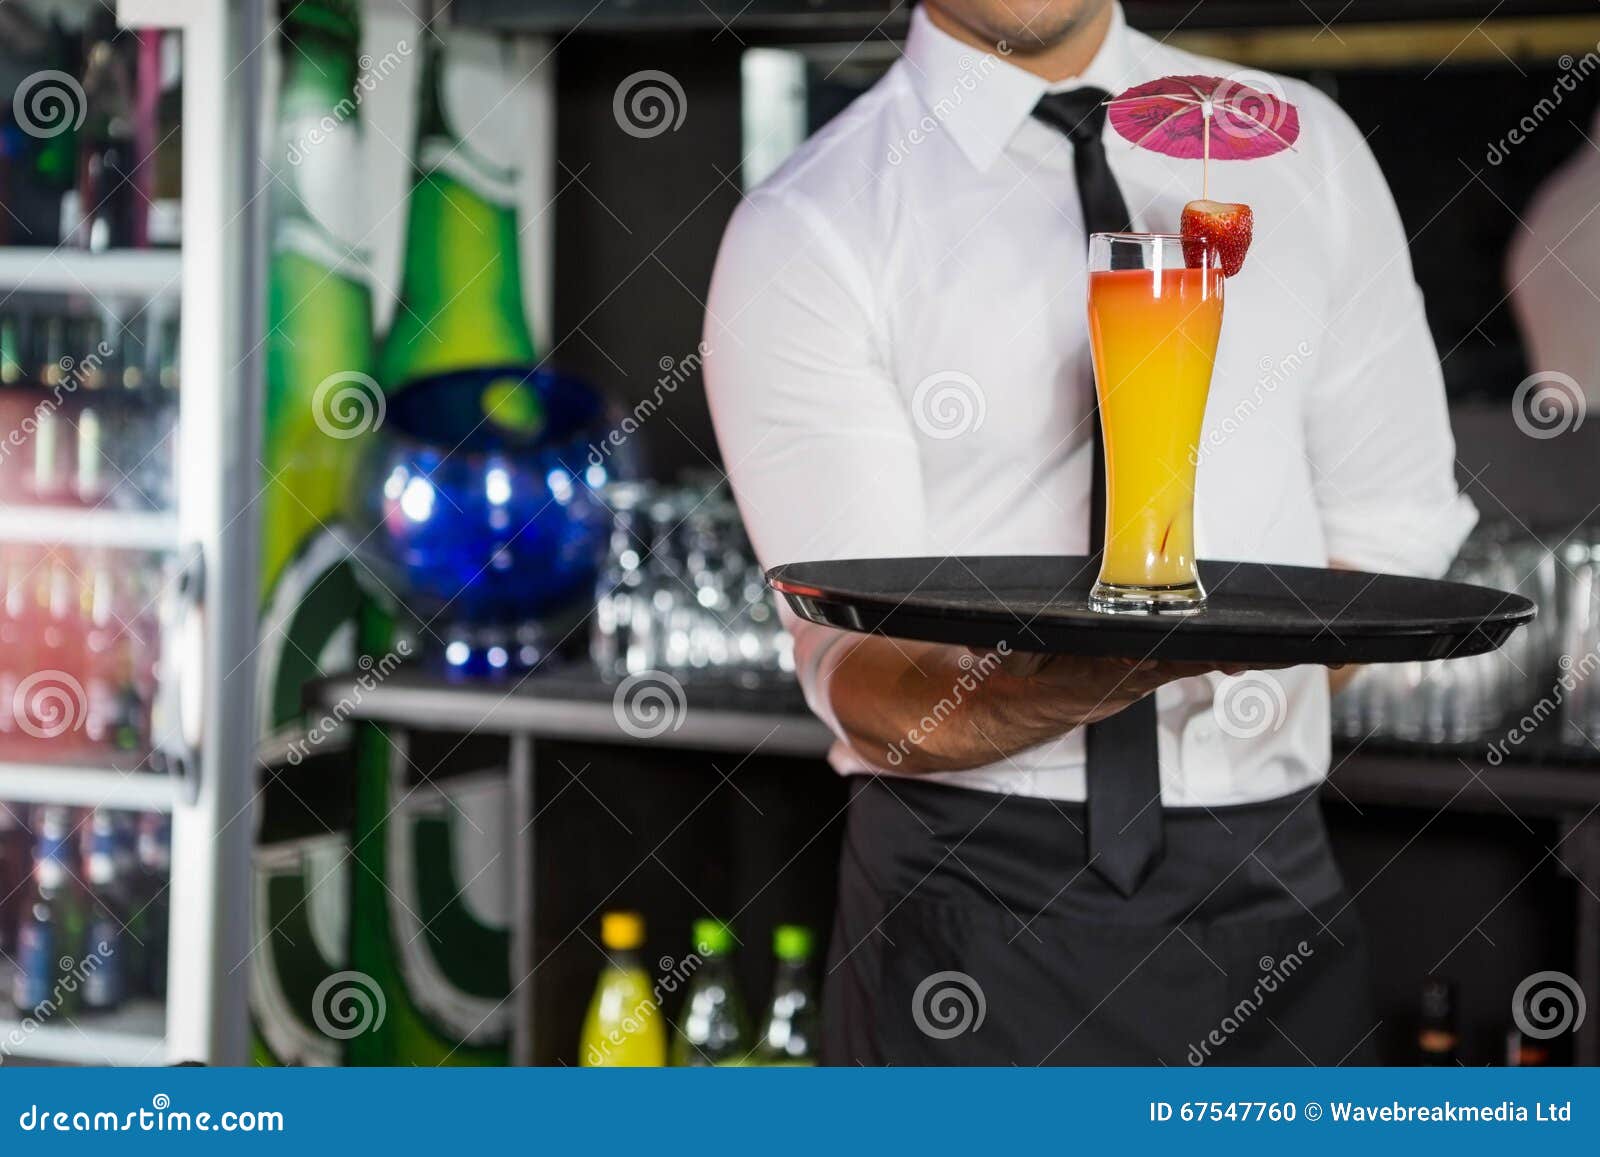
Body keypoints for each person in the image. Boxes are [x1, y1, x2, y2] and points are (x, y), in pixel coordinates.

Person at [703, 0, 1476, 1065]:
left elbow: (1389, 533)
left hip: (1274, 889)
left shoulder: (1304, 151)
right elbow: (861, 668)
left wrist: (1233, 666)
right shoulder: (810, 222)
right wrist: (1079, 682)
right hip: (971, 909)